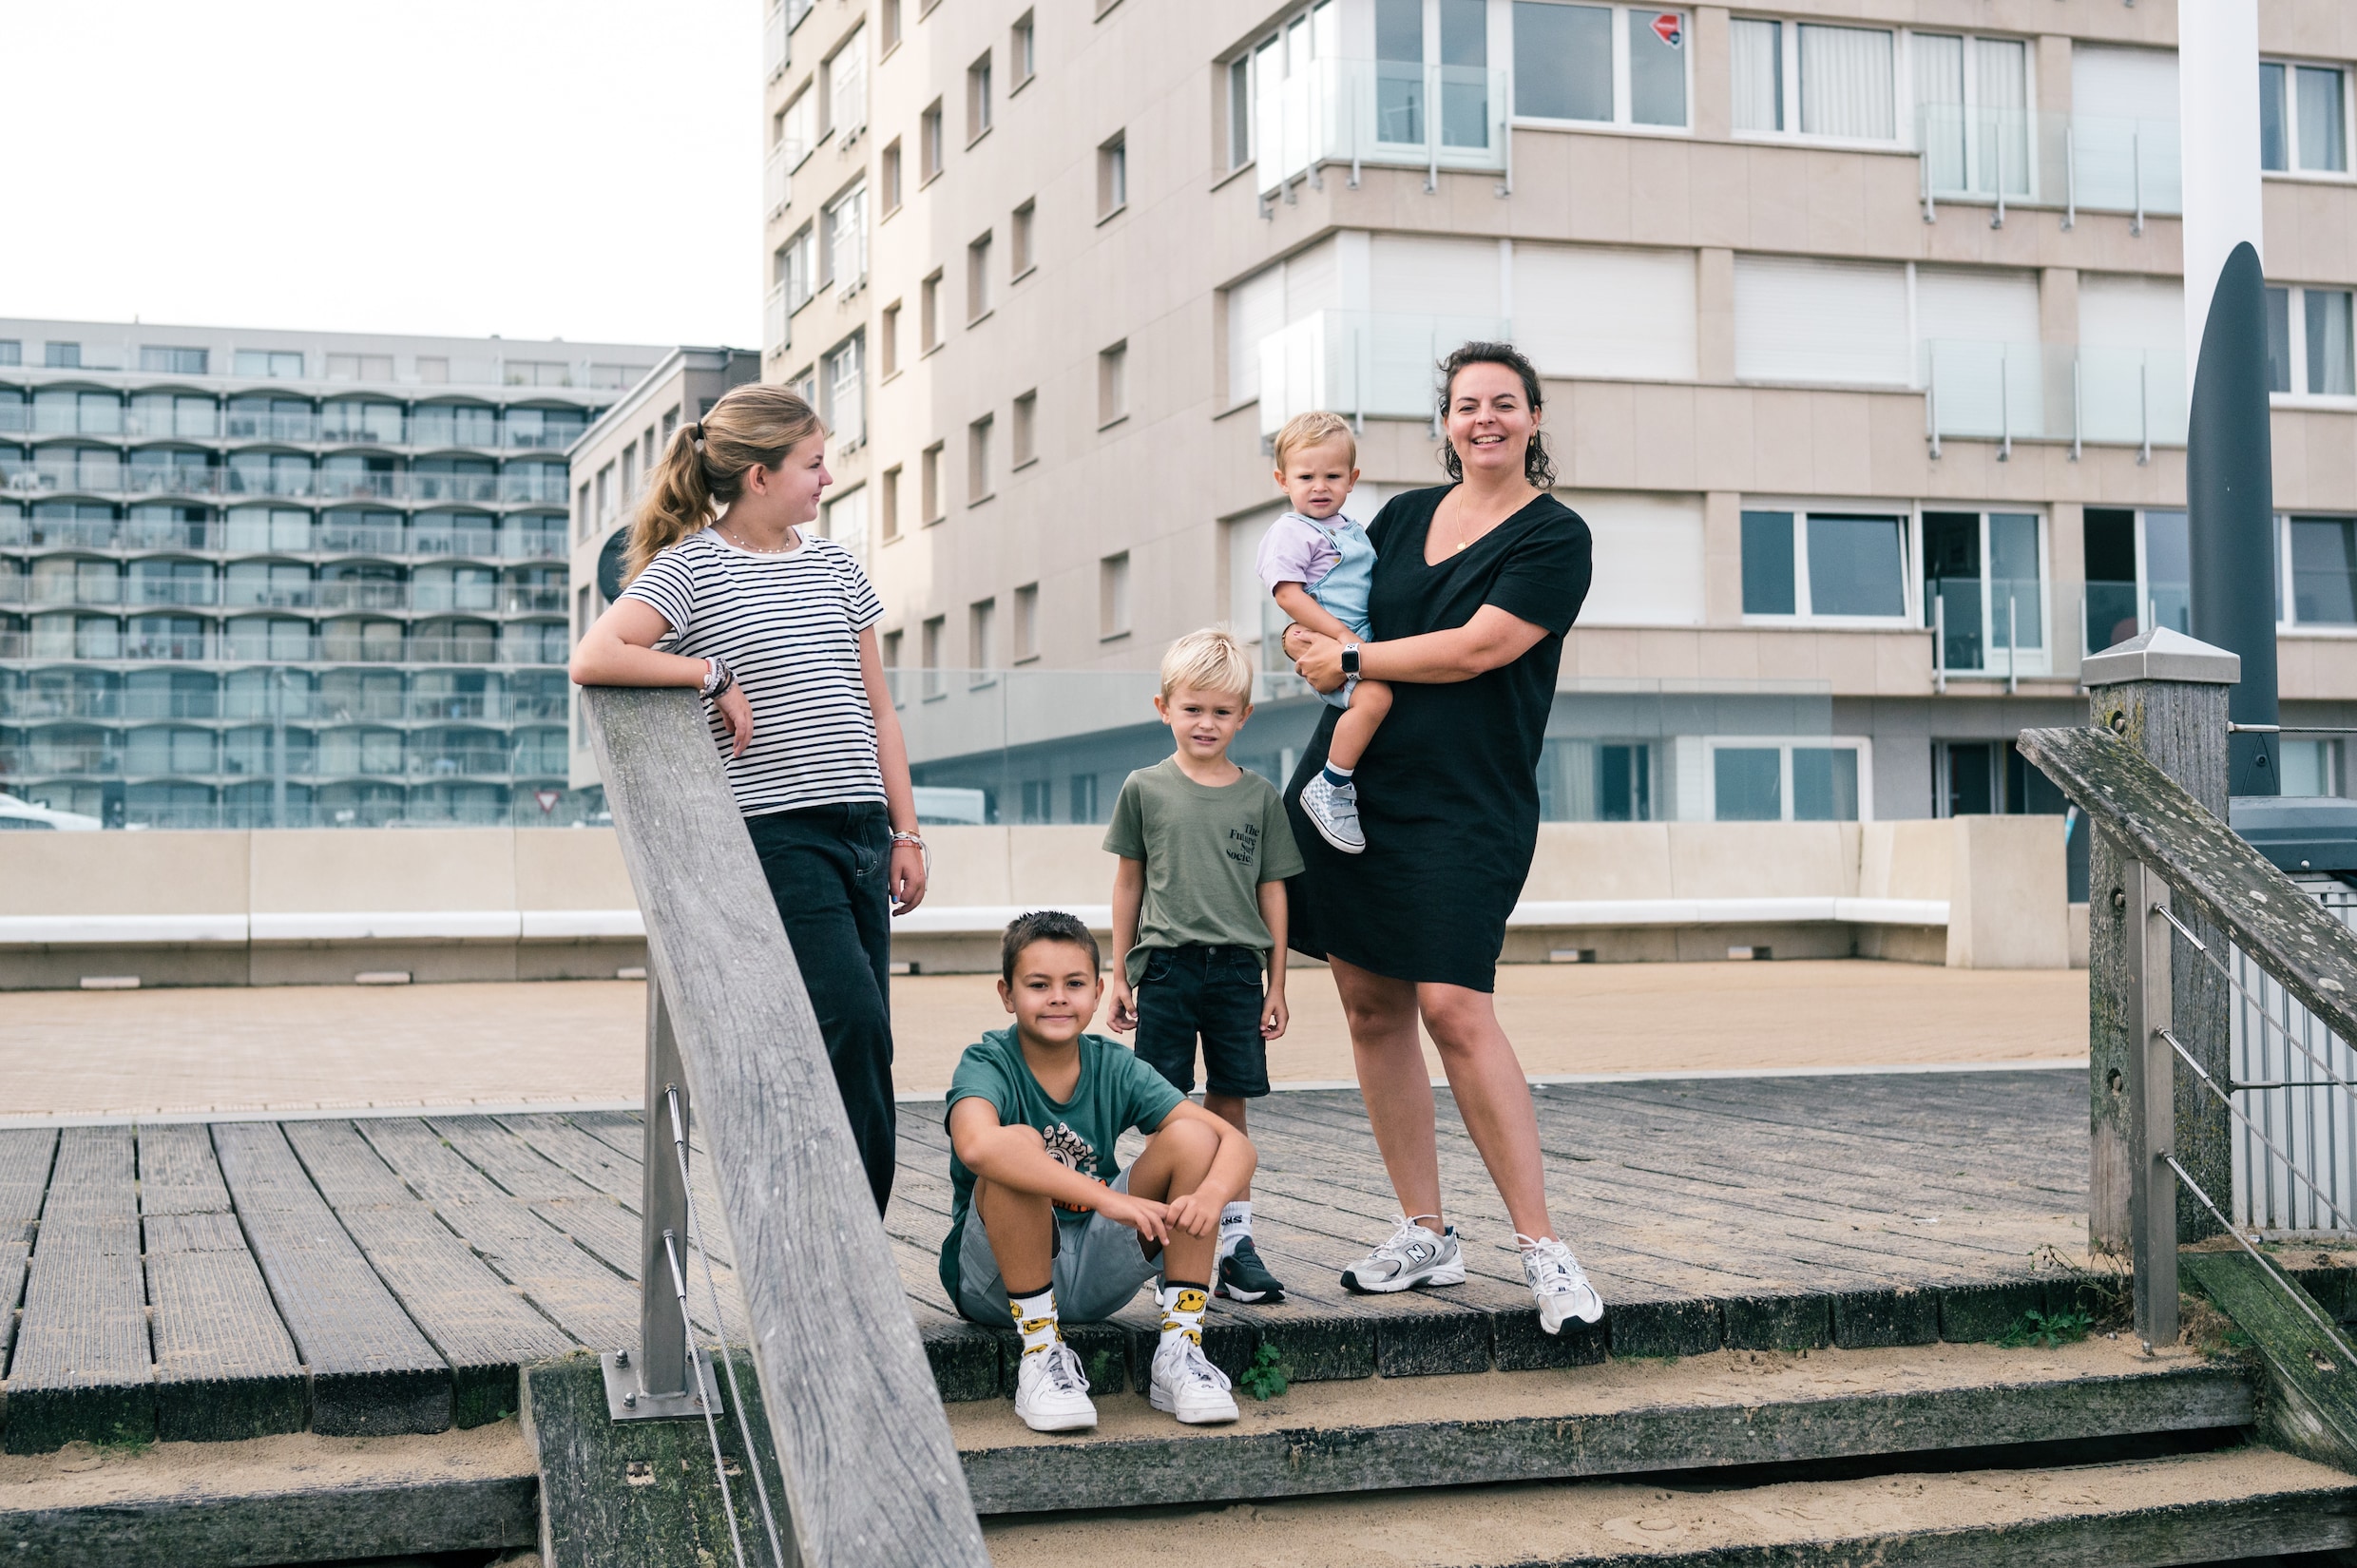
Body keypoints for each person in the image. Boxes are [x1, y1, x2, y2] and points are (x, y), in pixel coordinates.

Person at [1281, 341, 1606, 1335]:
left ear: (1533, 419)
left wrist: (1347, 654)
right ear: (1445, 422)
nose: (1484, 420)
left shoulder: (1556, 537)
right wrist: (1310, 639)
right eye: (1467, 405)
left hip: (1468, 799)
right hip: (1350, 780)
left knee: (1455, 1007)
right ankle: (1424, 1233)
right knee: (1369, 1004)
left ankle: (1542, 1248)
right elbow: (1329, 608)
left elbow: (1478, 650)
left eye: (1503, 404)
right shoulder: (1400, 516)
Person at [568, 383, 923, 1214]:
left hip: (864, 832)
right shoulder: (693, 566)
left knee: (868, 1037)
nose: (827, 478)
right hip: (778, 838)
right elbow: (596, 655)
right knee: (851, 1027)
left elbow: (880, 713)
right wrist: (708, 672)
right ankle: (846, 1228)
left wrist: (907, 834)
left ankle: (847, 1228)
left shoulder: (838, 567)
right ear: (758, 477)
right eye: (813, 463)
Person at [942, 910, 1258, 1433]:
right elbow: (976, 1147)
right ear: (1007, 994)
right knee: (1014, 1148)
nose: (1058, 997)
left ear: (1097, 992)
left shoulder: (1112, 1064)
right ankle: (1041, 1354)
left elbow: (1235, 1143)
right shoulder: (987, 1060)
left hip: (1093, 1274)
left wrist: (1212, 1196)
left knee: (1195, 1137)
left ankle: (1179, 1351)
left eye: (1074, 984)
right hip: (995, 1284)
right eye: (1038, 985)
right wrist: (1106, 1197)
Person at [1102, 629, 1302, 1305]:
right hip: (1164, 970)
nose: (1206, 723)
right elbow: (1129, 884)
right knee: (1166, 1109)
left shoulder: (1260, 797)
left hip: (1239, 975)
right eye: (1193, 709)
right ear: (1165, 707)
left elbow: (1274, 892)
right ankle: (1168, 1242)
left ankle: (1236, 1241)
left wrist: (1277, 982)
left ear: (1244, 716)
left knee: (1229, 1104)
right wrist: (1117, 972)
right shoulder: (1144, 789)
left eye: (1221, 711)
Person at [1255, 411, 1394, 854]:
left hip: (1357, 639)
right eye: (1306, 476)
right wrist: (1340, 638)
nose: (1320, 486)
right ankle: (1331, 784)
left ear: (1352, 479)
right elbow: (1288, 596)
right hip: (1335, 645)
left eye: (1333, 475)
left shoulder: (1351, 530)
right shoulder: (1290, 531)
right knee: (1378, 698)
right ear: (1283, 480)